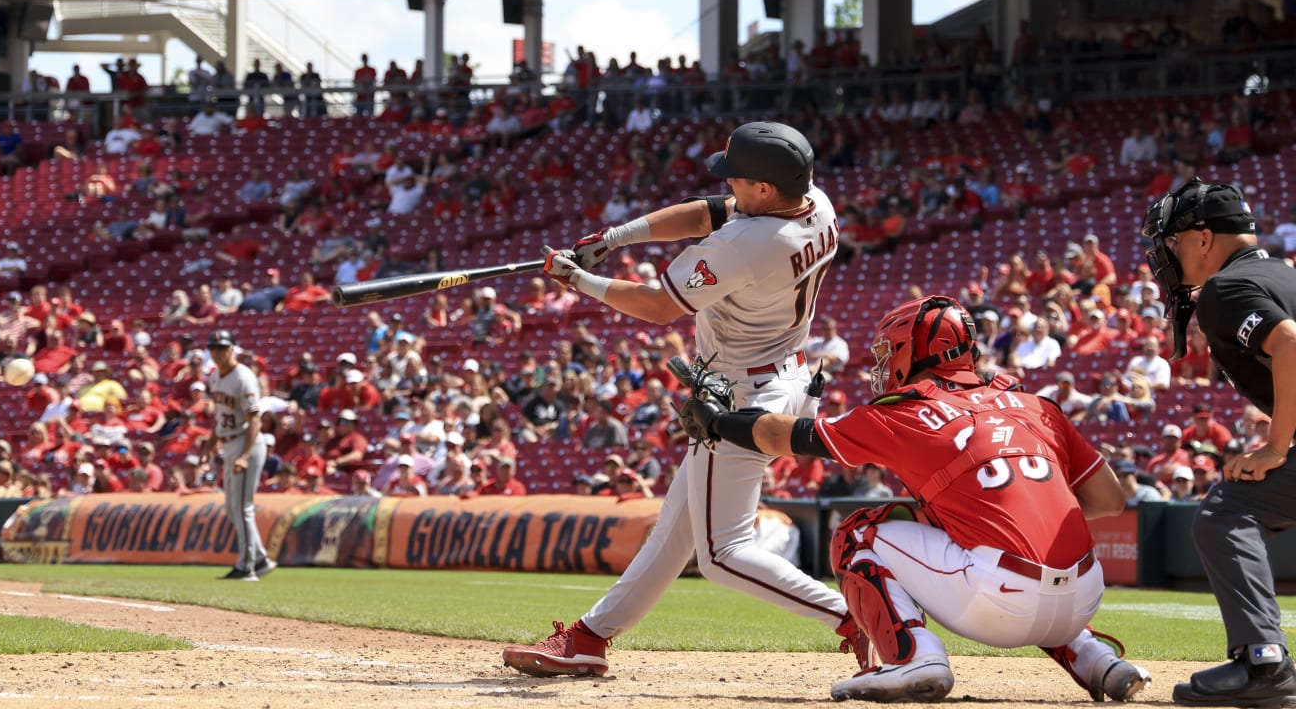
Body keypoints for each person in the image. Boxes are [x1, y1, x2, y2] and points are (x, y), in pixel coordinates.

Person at [505, 122, 869, 677]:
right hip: (782, 376)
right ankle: (590, 637)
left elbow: (657, 306)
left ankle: (860, 618)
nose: (730, 188)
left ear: (766, 190)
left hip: (745, 397)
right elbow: (707, 212)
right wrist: (615, 237)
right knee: (677, 527)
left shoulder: (749, 244)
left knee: (723, 554)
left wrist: (579, 280)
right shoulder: (814, 201)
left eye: (739, 179)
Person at [678, 294, 1150, 702]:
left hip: (997, 602)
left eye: (891, 351)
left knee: (857, 531)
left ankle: (915, 657)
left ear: (914, 351)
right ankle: (1096, 659)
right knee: (1004, 540)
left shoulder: (908, 411)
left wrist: (719, 422)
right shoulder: (1034, 404)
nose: (884, 364)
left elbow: (792, 438)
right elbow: (1110, 500)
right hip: (1085, 594)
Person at [1140, 180, 1296, 706]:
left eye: (1174, 241)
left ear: (1204, 238)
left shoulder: (1227, 289)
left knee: (1227, 512)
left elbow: (1290, 343)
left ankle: (1263, 663)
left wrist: (1277, 446)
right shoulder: (1283, 274)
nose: (1168, 253)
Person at [205, 330, 274, 581]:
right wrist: (209, 445)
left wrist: (245, 455)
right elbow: (219, 416)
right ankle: (261, 558)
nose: (218, 352)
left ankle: (247, 567)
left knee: (243, 508)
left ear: (232, 349)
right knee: (232, 509)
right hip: (229, 441)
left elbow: (254, 420)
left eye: (222, 347)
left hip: (248, 442)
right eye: (214, 347)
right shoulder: (215, 378)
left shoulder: (244, 377)